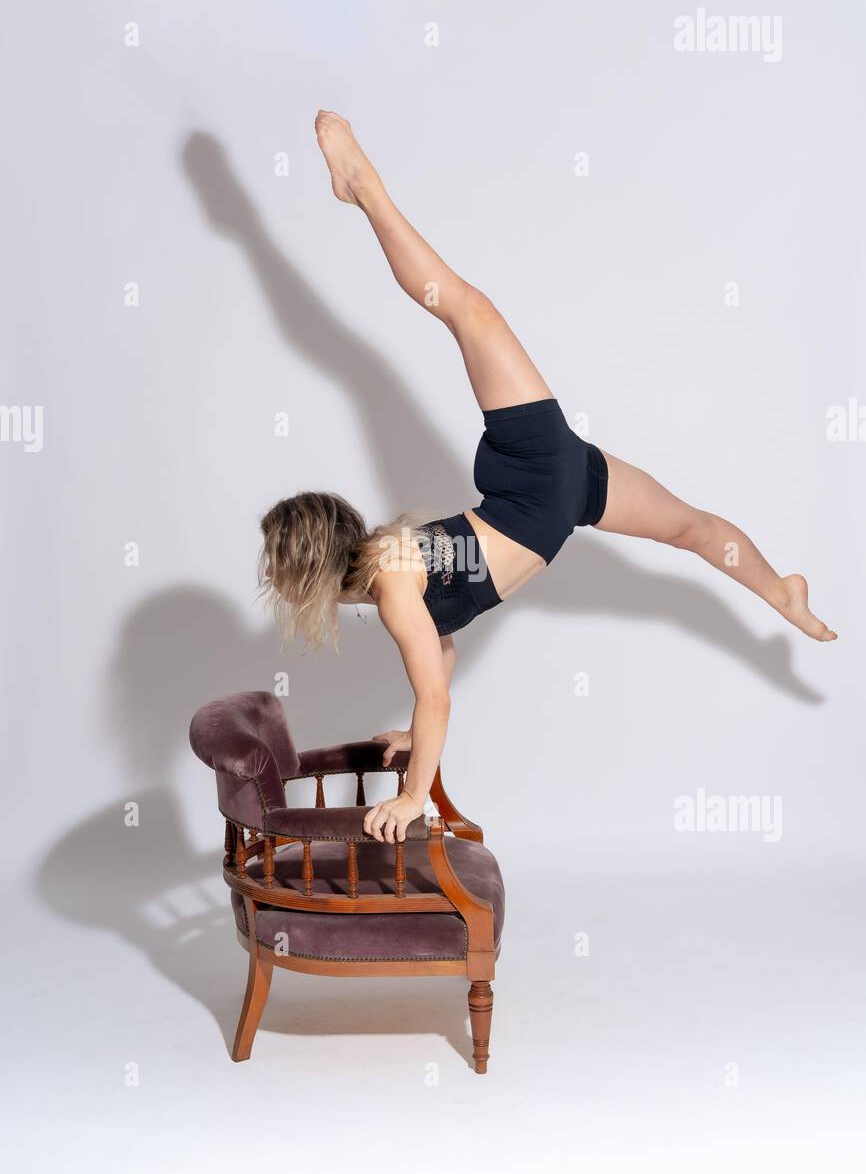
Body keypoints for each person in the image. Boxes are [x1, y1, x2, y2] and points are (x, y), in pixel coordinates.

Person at [258, 111, 836, 845]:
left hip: (537, 486)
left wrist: (411, 796)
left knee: (464, 309)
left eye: (275, 564)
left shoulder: (395, 585)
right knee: (690, 528)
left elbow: (436, 695)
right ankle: (781, 590)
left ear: (310, 569)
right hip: (553, 496)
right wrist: (413, 733)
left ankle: (364, 186)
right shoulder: (395, 584)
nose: (268, 575)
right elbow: (441, 660)